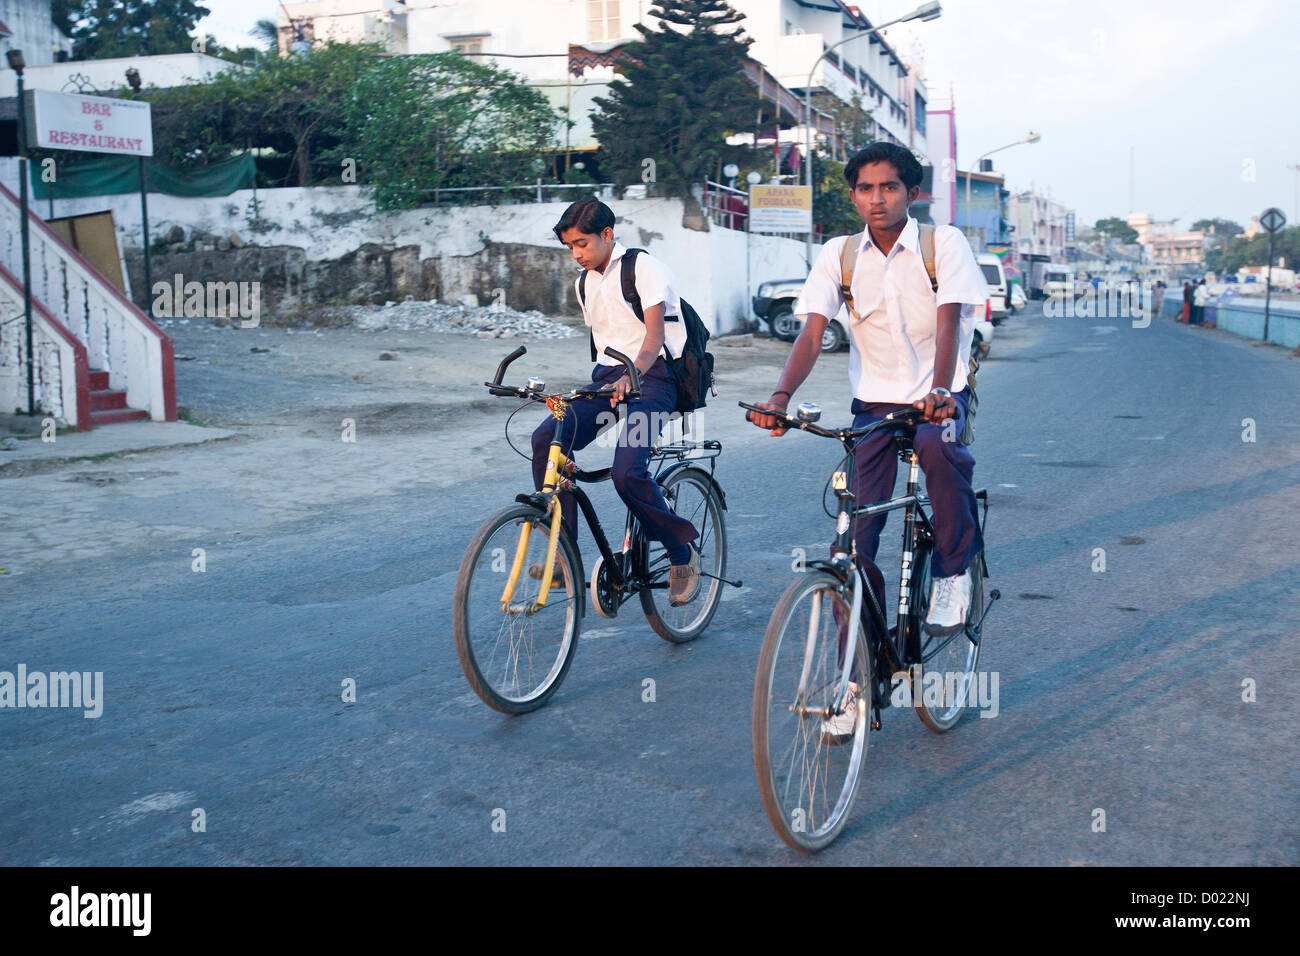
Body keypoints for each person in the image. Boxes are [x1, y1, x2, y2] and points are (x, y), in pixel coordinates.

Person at [746, 143, 989, 737]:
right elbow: (811, 333)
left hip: (941, 393)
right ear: (852, 195)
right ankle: (857, 679)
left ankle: (955, 571)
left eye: (889, 187)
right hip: (874, 404)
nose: (877, 198)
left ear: (911, 192)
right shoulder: (839, 254)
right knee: (850, 548)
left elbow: (952, 319)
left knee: (936, 446)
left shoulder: (942, 244)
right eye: (865, 188)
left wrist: (939, 391)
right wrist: (779, 398)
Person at [531, 199, 700, 606]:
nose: (576, 254)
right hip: (609, 381)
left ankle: (681, 553)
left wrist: (633, 375)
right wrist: (612, 380)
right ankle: (563, 551)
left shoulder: (644, 268)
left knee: (627, 473)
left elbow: (654, 337)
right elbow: (607, 345)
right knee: (547, 439)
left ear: (607, 235)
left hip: (655, 380)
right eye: (569, 246)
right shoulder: (584, 282)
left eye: (582, 244)